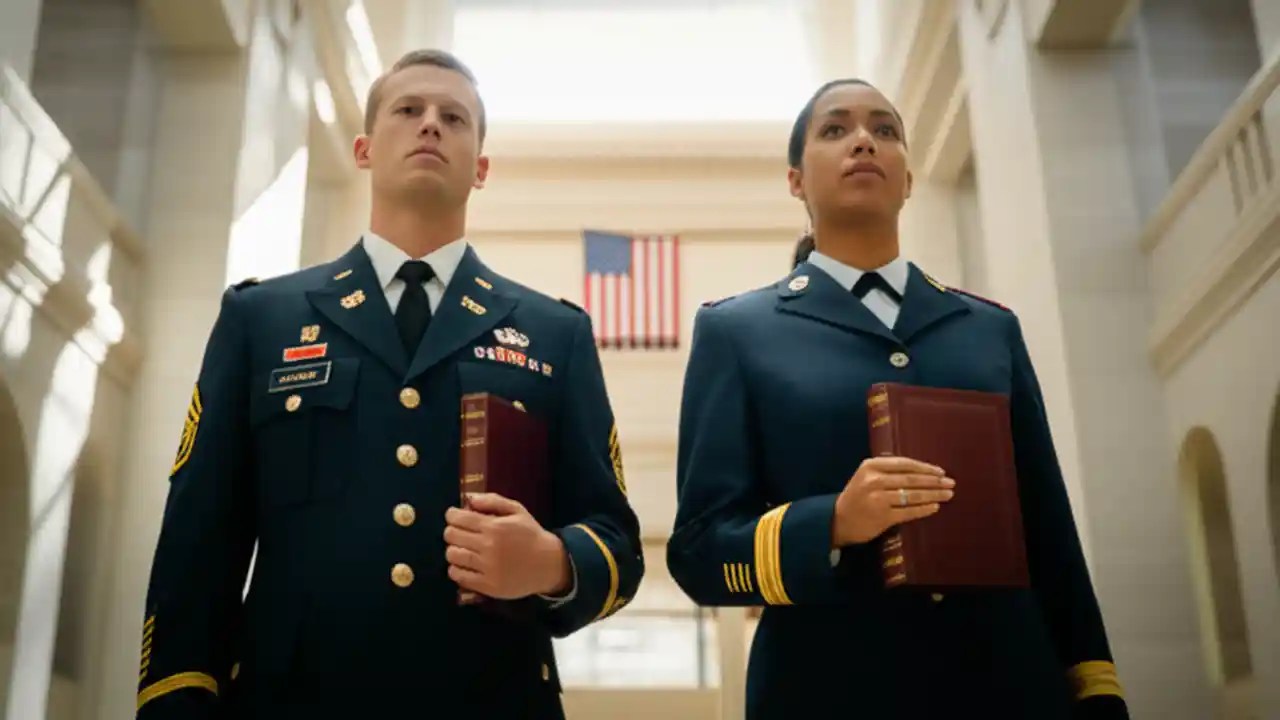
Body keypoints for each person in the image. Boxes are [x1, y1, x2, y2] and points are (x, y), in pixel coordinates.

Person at [135, 49, 643, 719]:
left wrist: (551, 561)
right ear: (365, 148)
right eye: (409, 110)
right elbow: (197, 548)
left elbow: (618, 543)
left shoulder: (554, 334)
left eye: (454, 118)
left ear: (481, 168)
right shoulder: (262, 318)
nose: (430, 124)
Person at [667, 78, 1129, 719]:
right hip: (831, 687)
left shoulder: (989, 328)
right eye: (836, 130)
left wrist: (1095, 690)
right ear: (796, 180)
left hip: (1009, 684)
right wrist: (830, 522)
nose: (864, 141)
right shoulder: (739, 331)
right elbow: (699, 551)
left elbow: (1049, 529)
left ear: (909, 179)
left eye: (885, 131)